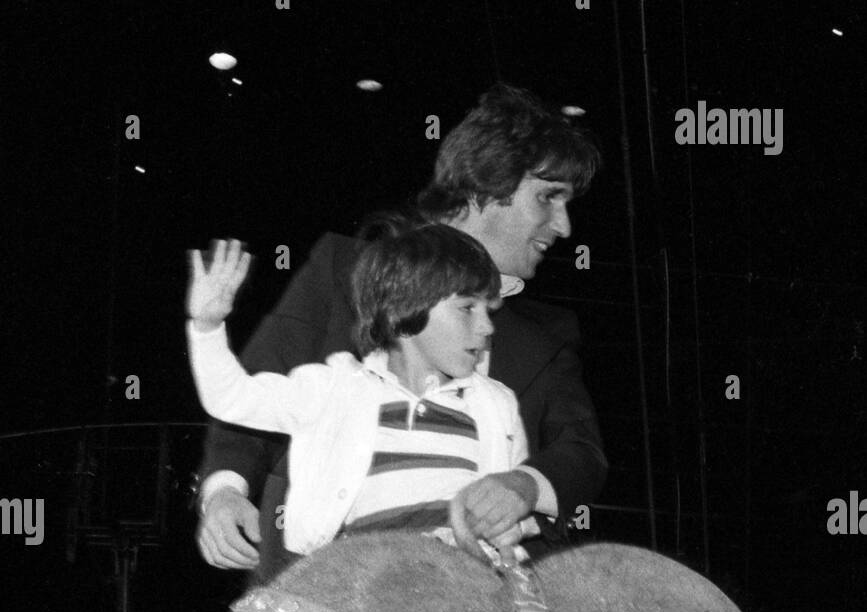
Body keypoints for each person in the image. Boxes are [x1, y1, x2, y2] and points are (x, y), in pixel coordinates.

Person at [196, 84, 608, 581]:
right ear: (484, 186)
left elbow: (581, 453)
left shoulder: (548, 335)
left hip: (480, 606)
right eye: (548, 197)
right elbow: (259, 385)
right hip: (319, 593)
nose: (563, 226)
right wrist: (224, 492)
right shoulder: (342, 269)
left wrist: (523, 484)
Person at [186, 225, 548, 557]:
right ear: (405, 311)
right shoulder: (335, 389)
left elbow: (511, 503)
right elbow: (232, 399)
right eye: (468, 308)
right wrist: (207, 326)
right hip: (364, 581)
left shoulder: (495, 405)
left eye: (490, 309)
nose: (487, 326)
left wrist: (509, 526)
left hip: (462, 583)